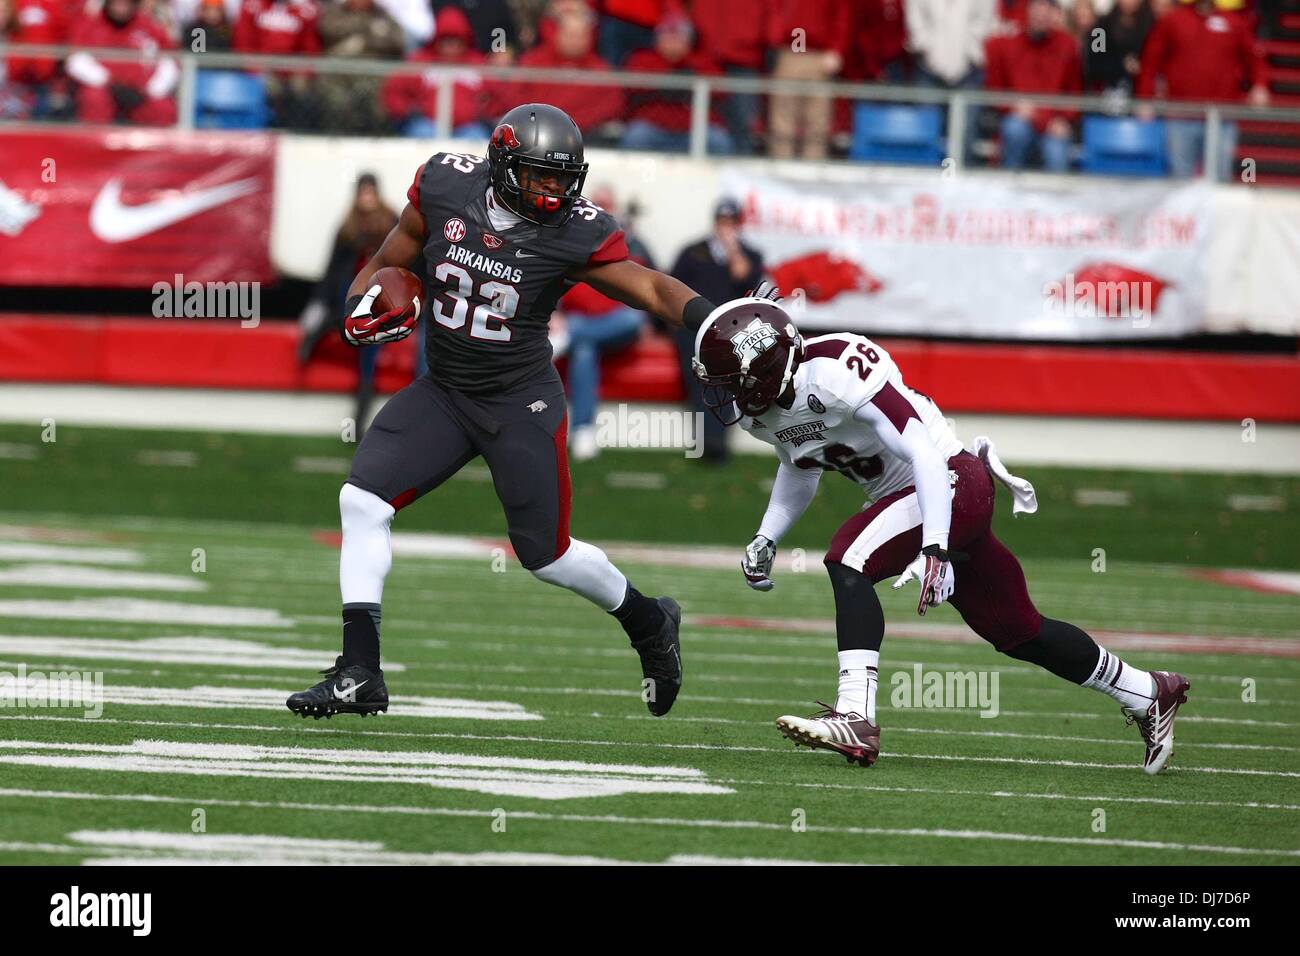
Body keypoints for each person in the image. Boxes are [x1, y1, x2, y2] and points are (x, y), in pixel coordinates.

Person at [286, 103, 719, 722]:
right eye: (541, 175)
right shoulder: (443, 186)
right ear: (503, 166)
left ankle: (650, 622)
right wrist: (360, 305)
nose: (555, 189)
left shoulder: (573, 229)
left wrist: (713, 318)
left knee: (548, 556)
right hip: (445, 391)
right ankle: (361, 671)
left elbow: (648, 285)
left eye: (564, 176)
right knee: (361, 501)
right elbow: (391, 258)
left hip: (520, 401)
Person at [692, 286, 1191, 773]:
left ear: (766, 366)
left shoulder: (839, 368)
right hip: (927, 500)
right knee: (1019, 632)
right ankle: (1148, 691)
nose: (729, 394)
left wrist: (935, 545)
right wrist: (767, 535)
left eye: (733, 380)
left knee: (848, 557)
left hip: (950, 481)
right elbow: (802, 466)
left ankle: (856, 717)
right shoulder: (761, 416)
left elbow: (924, 452)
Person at [298, 172, 401, 436]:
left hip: (378, 299)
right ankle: (313, 341)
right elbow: (333, 268)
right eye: (362, 192)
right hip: (349, 295)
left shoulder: (392, 222)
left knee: (367, 362)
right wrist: (319, 301)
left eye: (370, 192)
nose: (366, 198)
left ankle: (357, 424)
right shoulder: (348, 226)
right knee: (343, 322)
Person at [555, 187, 650, 461]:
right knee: (584, 349)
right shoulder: (569, 242)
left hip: (617, 322)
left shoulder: (631, 244)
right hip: (581, 322)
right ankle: (583, 429)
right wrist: (556, 314)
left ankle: (569, 336)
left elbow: (651, 284)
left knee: (633, 318)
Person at [669, 197, 764, 462]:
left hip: (732, 331)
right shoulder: (693, 253)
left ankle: (715, 442)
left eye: (731, 222)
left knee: (724, 383)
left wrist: (733, 252)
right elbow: (671, 289)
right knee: (701, 381)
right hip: (694, 329)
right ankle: (710, 442)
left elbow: (749, 285)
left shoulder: (751, 255)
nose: (725, 228)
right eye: (722, 222)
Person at [1135, 0, 1269, 179]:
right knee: (1179, 179)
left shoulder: (1234, 21)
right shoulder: (1173, 20)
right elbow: (1150, 61)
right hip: (1180, 115)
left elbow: (1254, 58)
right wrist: (1145, 97)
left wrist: (1260, 85)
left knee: (1219, 178)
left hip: (1221, 117)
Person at [984, 0, 1082, 171]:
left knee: (1056, 149)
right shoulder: (1006, 45)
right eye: (1036, 10)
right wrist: (1013, 107)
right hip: (1020, 118)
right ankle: (1007, 188)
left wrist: (1064, 119)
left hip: (1053, 121)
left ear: (1054, 14)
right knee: (1015, 129)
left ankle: (1057, 196)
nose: (1040, 16)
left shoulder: (1068, 46)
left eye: (1046, 11)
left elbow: (1074, 92)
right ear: (1027, 12)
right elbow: (994, 91)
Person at [620, 11, 732, 154]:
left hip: (694, 128)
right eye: (667, 36)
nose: (672, 42)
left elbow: (721, 89)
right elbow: (632, 85)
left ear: (689, 40)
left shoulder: (703, 62)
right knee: (636, 136)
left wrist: (691, 77)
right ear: (657, 39)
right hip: (654, 127)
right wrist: (664, 81)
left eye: (678, 36)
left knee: (719, 141)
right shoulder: (642, 60)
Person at [381, 5, 491, 138]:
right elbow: (394, 91)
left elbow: (497, 97)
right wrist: (407, 111)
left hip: (469, 128)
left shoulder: (478, 64)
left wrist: (484, 112)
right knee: (423, 135)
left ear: (465, 40)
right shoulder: (420, 62)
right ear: (437, 40)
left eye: (456, 40)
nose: (451, 46)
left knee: (478, 139)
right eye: (446, 40)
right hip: (427, 126)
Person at [66, 0, 179, 125]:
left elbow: (169, 60)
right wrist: (109, 83)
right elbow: (76, 60)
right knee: (93, 99)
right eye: (116, 4)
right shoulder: (90, 25)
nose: (120, 9)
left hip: (142, 90)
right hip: (104, 86)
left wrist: (151, 90)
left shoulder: (149, 27)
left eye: (125, 4)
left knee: (162, 108)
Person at [766, 0, 852, 160]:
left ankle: (813, 169)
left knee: (817, 121)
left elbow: (842, 14)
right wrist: (774, 40)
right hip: (789, 53)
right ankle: (781, 167)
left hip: (819, 57)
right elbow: (774, 10)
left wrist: (836, 49)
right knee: (783, 120)